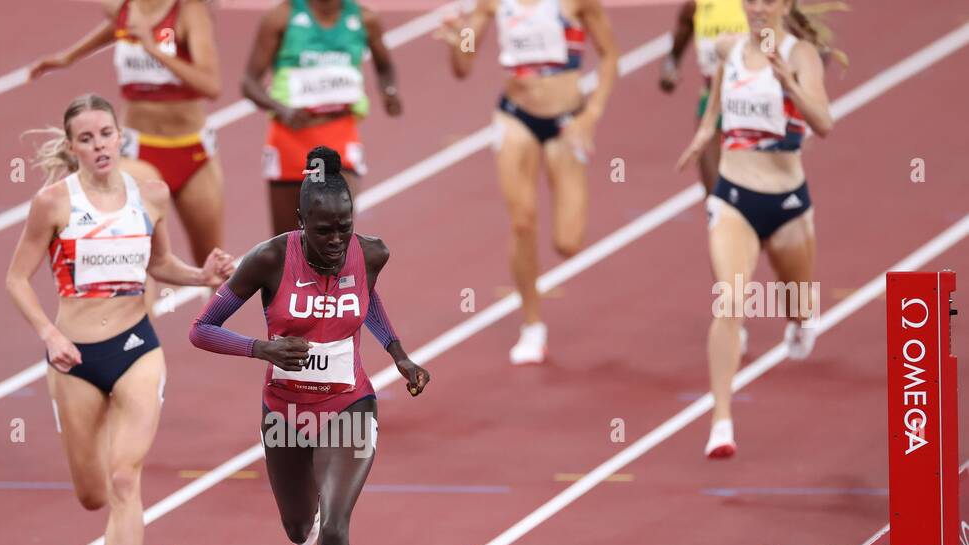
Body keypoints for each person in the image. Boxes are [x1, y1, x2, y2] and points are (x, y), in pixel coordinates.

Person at [188, 146, 429, 545]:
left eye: (343, 229)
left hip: (349, 403)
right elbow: (201, 329)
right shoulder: (269, 260)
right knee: (300, 527)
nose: (335, 243)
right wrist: (261, 349)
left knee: (337, 536)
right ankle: (308, 515)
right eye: (323, 232)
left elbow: (366, 297)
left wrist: (398, 354)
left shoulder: (369, 253)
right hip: (284, 414)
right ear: (301, 225)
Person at [6, 94, 234, 545]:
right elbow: (14, 279)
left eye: (106, 134)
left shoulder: (150, 194)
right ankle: (94, 438)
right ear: (72, 147)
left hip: (136, 347)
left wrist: (201, 275)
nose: (100, 145)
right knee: (91, 494)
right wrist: (50, 335)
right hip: (75, 358)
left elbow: (158, 265)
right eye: (86, 139)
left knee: (126, 479)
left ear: (119, 137)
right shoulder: (54, 204)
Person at [676, 0, 833, 459]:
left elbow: (824, 123)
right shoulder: (729, 49)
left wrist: (790, 85)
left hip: (787, 203)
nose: (758, 7)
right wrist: (705, 132)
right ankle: (721, 420)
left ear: (784, 4)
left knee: (798, 303)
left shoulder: (800, 54)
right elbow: (715, 107)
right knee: (729, 301)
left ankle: (800, 320)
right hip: (734, 198)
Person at [435, 0, 618, 365]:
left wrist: (592, 113)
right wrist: (458, 42)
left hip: (566, 122)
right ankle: (532, 325)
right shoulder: (492, 4)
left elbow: (610, 55)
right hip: (515, 118)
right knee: (522, 222)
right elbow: (464, 65)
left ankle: (534, 317)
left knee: (568, 243)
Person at [29, 0, 225, 264]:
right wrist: (69, 56)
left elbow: (211, 85)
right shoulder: (123, 9)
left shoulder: (189, 11)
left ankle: (213, 306)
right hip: (138, 151)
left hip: (191, 151)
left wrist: (154, 50)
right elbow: (118, 27)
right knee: (135, 258)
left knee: (211, 260)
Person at [242, 0, 402, 236]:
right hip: (290, 138)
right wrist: (282, 109)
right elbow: (249, 83)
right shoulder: (281, 17)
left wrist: (389, 91)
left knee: (334, 228)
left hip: (339, 134)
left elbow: (385, 66)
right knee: (289, 244)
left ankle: (335, 273)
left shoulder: (365, 19)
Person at [659, 0, 748, 195]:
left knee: (752, 196)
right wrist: (670, 69)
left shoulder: (757, 6)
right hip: (712, 104)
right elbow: (675, 51)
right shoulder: (695, 6)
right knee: (716, 198)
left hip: (751, 107)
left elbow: (793, 42)